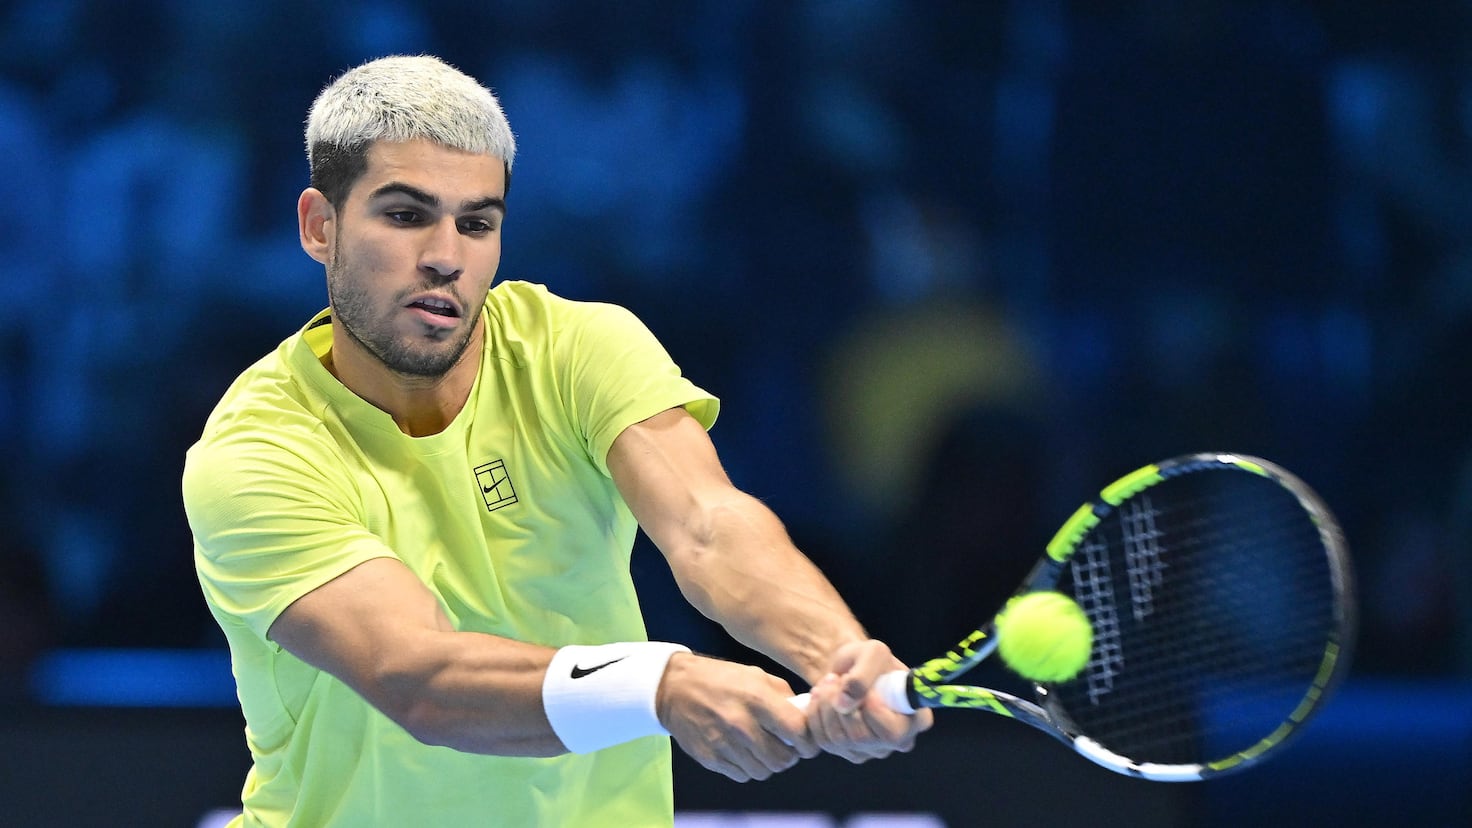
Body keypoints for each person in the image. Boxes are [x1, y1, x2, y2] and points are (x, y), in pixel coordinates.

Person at [181, 54, 929, 827]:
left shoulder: (576, 348)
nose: (446, 257)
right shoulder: (255, 452)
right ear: (320, 226)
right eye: (405, 215)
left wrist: (837, 657)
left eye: (477, 223)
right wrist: (658, 684)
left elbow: (709, 526)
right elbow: (417, 676)